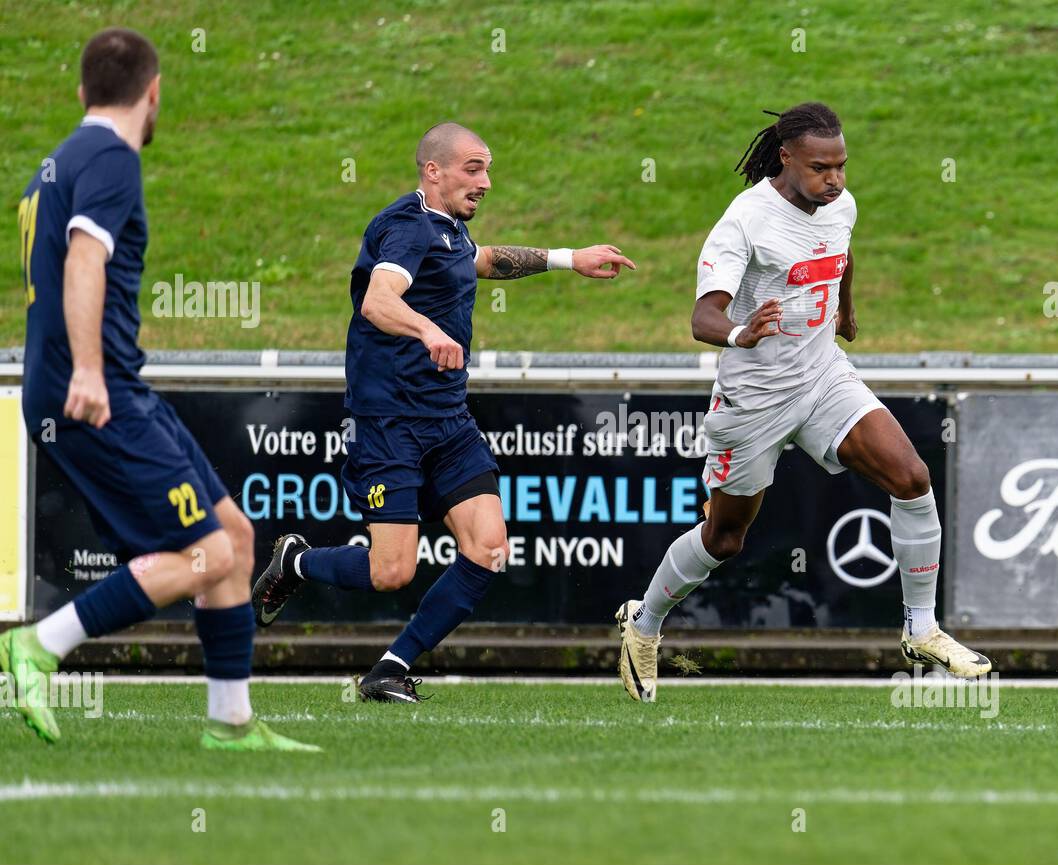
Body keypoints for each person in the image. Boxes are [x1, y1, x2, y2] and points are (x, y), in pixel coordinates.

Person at [4, 27, 318, 750]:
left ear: (82, 91)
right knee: (204, 553)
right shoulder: (112, 157)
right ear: (153, 93)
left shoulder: (57, 161)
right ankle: (39, 645)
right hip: (96, 388)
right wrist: (88, 369)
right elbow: (86, 260)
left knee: (232, 539)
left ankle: (232, 723)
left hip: (103, 384)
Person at [614, 102, 991, 703]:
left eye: (841, 165)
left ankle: (921, 629)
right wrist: (742, 332)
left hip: (821, 377)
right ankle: (645, 623)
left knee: (913, 477)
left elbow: (840, 249)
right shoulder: (743, 223)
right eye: (821, 168)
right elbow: (702, 317)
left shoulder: (840, 203)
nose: (835, 179)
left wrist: (845, 305)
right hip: (755, 397)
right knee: (725, 538)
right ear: (786, 158)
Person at [252, 122, 635, 703]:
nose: (485, 182)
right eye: (472, 169)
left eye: (487, 170)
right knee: (392, 573)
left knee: (489, 546)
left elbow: (482, 261)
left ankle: (389, 668)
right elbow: (380, 300)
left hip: (449, 423)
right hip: (390, 424)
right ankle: (296, 563)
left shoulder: (447, 227)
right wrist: (428, 330)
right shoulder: (405, 228)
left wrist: (567, 258)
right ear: (433, 170)